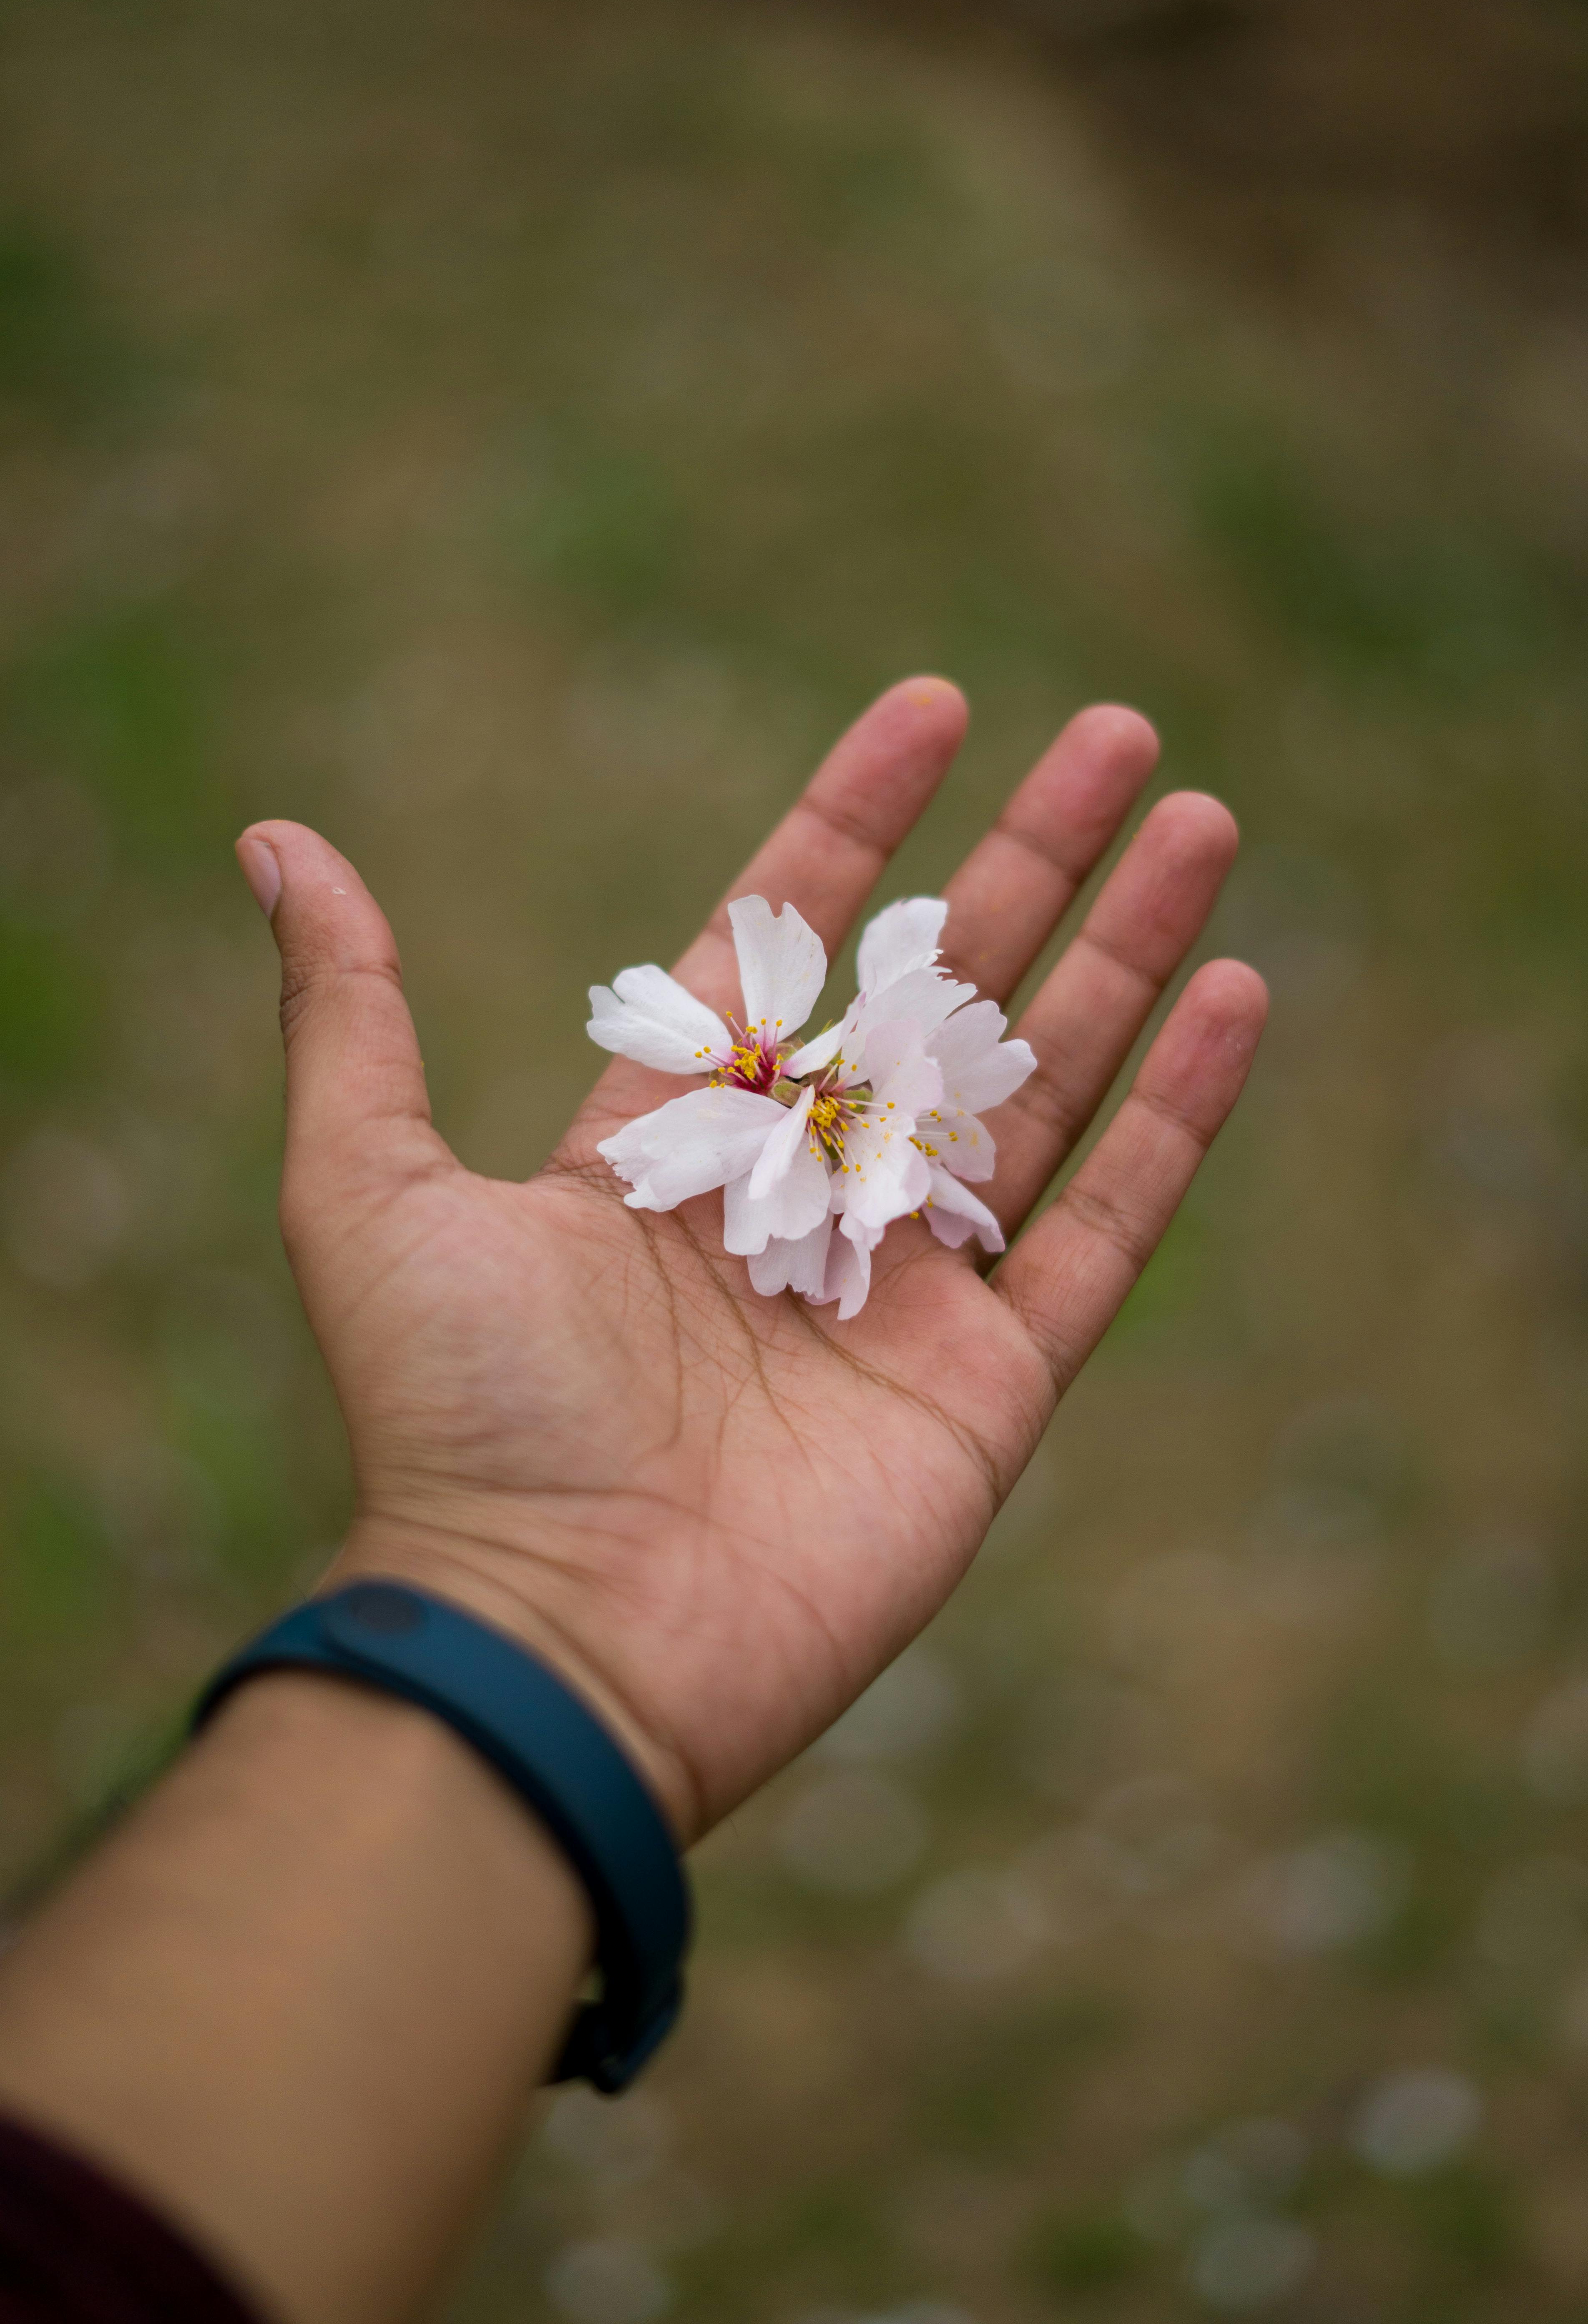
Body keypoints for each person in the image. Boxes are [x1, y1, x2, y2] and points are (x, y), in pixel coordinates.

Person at [0, 678, 1266, 2324]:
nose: (816, 1100)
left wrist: (523, 1607)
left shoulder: (841, 1103)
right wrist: (532, 1615)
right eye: (801, 1088)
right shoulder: (758, 1103)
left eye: (820, 1095)